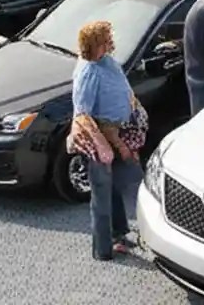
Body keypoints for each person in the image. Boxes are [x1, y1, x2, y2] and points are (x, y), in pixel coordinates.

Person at [70, 21, 143, 261]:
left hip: (116, 131)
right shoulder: (89, 71)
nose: (111, 42)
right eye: (106, 39)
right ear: (95, 44)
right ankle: (103, 249)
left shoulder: (105, 61)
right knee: (101, 193)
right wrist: (104, 146)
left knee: (115, 187)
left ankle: (119, 233)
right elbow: (83, 113)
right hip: (99, 135)